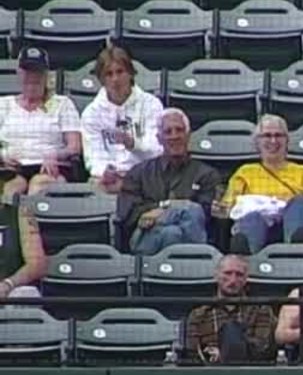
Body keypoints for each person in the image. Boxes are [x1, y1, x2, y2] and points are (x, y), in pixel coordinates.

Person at [218, 114, 303, 254]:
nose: (273, 141)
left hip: (295, 225)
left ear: (287, 140)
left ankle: (296, 253)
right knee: (252, 216)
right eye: (267, 136)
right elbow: (227, 208)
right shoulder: (245, 173)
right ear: (257, 142)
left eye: (278, 135)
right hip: (256, 226)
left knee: (300, 202)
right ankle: (248, 259)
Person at [119, 109, 223, 255]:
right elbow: (128, 213)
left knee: (173, 232)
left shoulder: (207, 174)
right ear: (159, 138)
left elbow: (206, 214)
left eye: (179, 130)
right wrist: (168, 208)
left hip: (186, 234)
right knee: (189, 210)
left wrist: (162, 210)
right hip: (146, 237)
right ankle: (196, 260)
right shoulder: (139, 173)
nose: (174, 136)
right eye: (168, 132)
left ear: (188, 135)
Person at [80, 45, 164, 193]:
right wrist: (106, 171)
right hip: (107, 180)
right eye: (109, 74)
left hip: (144, 175)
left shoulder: (151, 104)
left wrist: (133, 144)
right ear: (101, 79)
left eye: (120, 72)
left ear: (130, 74)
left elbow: (157, 150)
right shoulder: (91, 113)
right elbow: (93, 157)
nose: (115, 79)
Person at [0, 47, 82, 198]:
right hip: (10, 169)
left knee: (39, 186)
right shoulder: (4, 105)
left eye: (37, 72)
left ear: (46, 75)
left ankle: (32, 213)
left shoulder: (62, 104)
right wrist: (2, 156)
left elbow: (74, 147)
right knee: (11, 189)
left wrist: (56, 155)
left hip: (49, 168)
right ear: (19, 73)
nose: (32, 77)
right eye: (27, 72)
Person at [184, 255, 278, 364]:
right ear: (216, 275)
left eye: (239, 275)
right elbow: (192, 353)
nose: (233, 280)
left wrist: (223, 353)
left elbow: (262, 347)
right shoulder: (198, 315)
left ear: (246, 278)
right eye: (227, 273)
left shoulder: (261, 310)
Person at [0, 189, 47, 302]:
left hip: (11, 288)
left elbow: (37, 265)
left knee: (25, 294)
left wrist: (8, 284)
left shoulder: (21, 215)